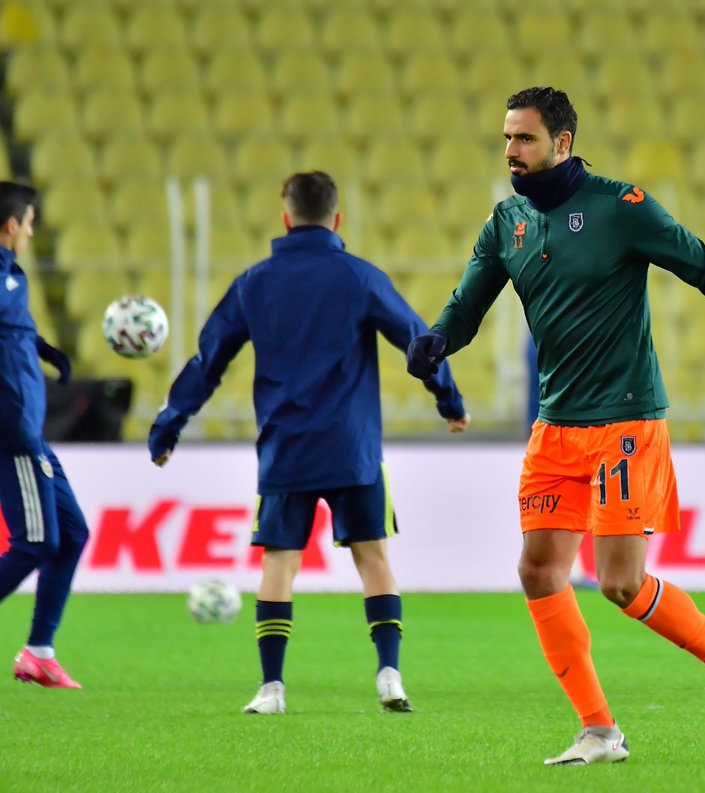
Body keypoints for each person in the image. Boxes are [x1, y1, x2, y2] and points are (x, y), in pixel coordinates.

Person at [406, 88, 705, 764]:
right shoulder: (507, 221)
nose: (511, 151)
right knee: (538, 570)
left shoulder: (620, 207)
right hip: (555, 426)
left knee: (619, 582)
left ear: (563, 143)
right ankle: (599, 730)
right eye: (507, 138)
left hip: (625, 418)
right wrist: (436, 339)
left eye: (524, 138)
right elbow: (467, 308)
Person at [149, 172, 470, 715]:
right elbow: (418, 340)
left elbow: (209, 361)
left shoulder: (254, 283)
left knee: (280, 563)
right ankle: (390, 676)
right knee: (373, 557)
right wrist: (449, 400)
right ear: (337, 219)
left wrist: (169, 425)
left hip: (286, 446)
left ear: (285, 217)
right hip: (352, 446)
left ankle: (271, 688)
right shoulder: (359, 277)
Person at [0, 181, 88, 689]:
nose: (32, 233)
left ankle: (39, 651)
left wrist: (42, 348)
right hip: (12, 431)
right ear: (12, 225)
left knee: (72, 534)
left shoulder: (11, 275)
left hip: (27, 429)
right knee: (36, 542)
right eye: (30, 223)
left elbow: (11, 328)